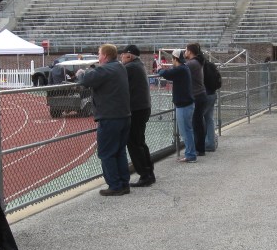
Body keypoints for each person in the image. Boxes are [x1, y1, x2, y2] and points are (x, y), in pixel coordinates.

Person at [76, 44, 132, 196]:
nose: (98, 57)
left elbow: (85, 80)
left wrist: (81, 73)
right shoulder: (120, 67)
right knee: (119, 151)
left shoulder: (105, 69)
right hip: (124, 116)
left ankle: (115, 185)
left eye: (99, 54)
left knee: (106, 153)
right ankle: (123, 183)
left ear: (105, 56)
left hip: (110, 118)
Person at [120, 45, 155, 187]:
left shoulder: (130, 68)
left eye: (122, 55)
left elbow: (115, 76)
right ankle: (148, 172)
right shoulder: (138, 65)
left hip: (136, 109)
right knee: (140, 141)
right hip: (143, 108)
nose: (121, 57)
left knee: (134, 143)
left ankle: (145, 174)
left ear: (129, 55)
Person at [158, 49, 196, 163]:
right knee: (187, 130)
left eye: (172, 59)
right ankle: (190, 153)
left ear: (175, 59)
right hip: (186, 104)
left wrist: (160, 69)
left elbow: (166, 74)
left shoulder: (180, 69)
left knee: (186, 131)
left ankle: (190, 155)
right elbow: (170, 73)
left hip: (183, 105)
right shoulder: (184, 68)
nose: (171, 61)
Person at [184, 43, 208, 156]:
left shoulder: (192, 63)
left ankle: (199, 149)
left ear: (190, 51)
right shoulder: (197, 62)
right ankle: (200, 148)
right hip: (201, 95)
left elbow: (181, 70)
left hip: (197, 96)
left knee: (196, 123)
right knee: (198, 122)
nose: (184, 52)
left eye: (186, 50)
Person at [199, 51, 222, 152]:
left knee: (199, 119)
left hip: (205, 95)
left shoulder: (200, 67)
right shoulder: (211, 65)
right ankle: (211, 143)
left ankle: (202, 143)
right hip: (213, 94)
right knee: (209, 119)